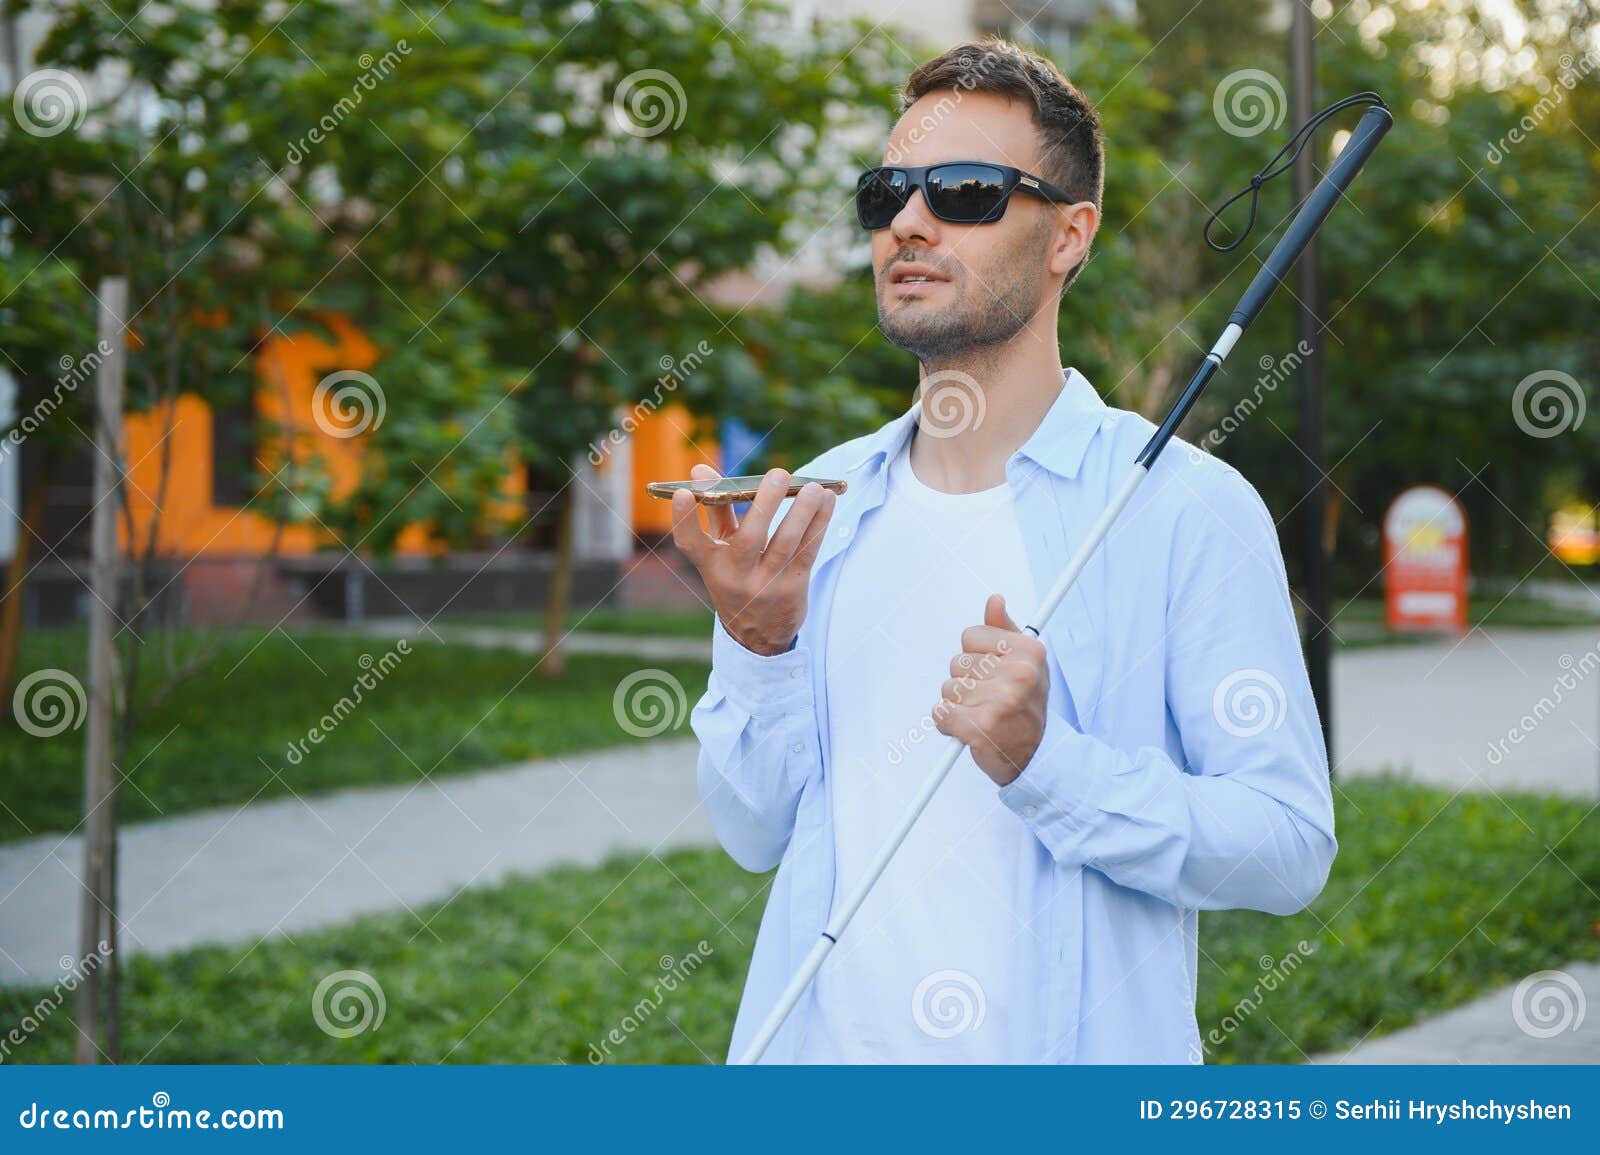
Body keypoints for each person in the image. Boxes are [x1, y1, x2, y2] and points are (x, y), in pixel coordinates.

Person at [669, 38, 1334, 1064]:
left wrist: (1047, 764)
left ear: (1070, 234)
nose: (909, 222)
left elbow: (1287, 848)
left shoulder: (1182, 508)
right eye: (887, 192)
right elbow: (753, 833)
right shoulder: (813, 508)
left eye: (966, 191)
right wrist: (761, 649)